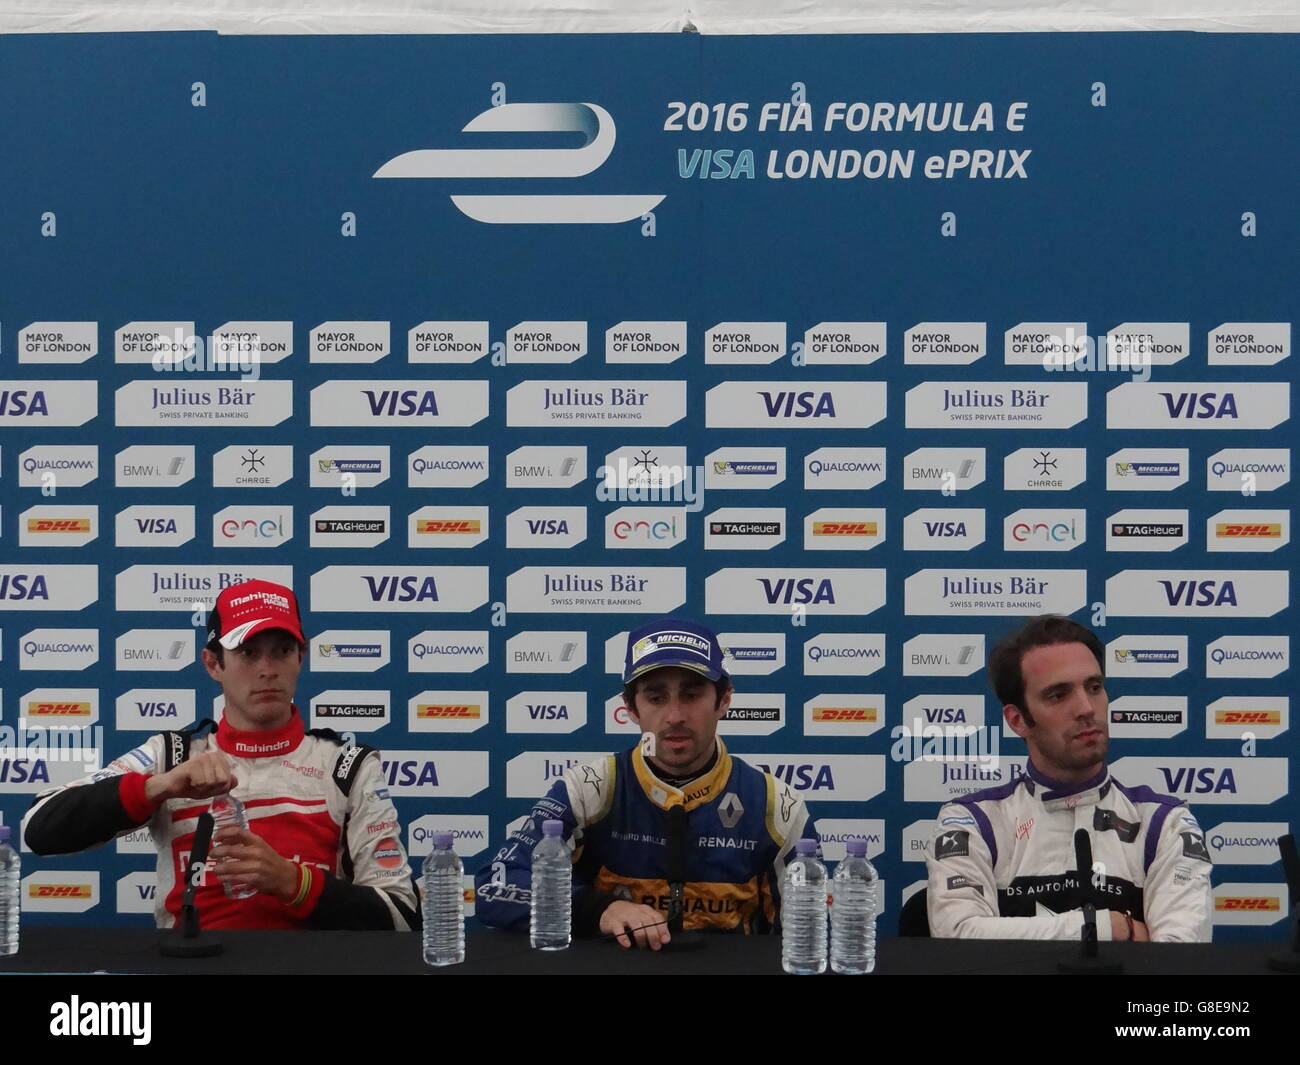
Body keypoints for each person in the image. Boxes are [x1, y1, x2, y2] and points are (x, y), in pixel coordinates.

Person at [24, 579, 418, 931]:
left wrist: (293, 884)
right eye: (247, 652)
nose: (267, 669)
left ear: (301, 657)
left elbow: (403, 915)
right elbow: (38, 829)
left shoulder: (346, 766)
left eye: (282, 651)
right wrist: (158, 787)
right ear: (214, 663)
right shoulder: (172, 755)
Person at [475, 617, 819, 948]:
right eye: (656, 698)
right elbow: (496, 886)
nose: (674, 717)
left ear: (724, 700)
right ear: (631, 708)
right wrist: (599, 909)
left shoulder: (777, 805)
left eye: (692, 695)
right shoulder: (589, 788)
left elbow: (807, 935)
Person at [926, 615, 1212, 942]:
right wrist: (1108, 928)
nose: (1086, 708)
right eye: (1058, 695)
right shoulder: (973, 821)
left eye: (1094, 687)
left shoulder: (1164, 823)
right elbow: (958, 935)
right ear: (1018, 720)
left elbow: (1181, 958)